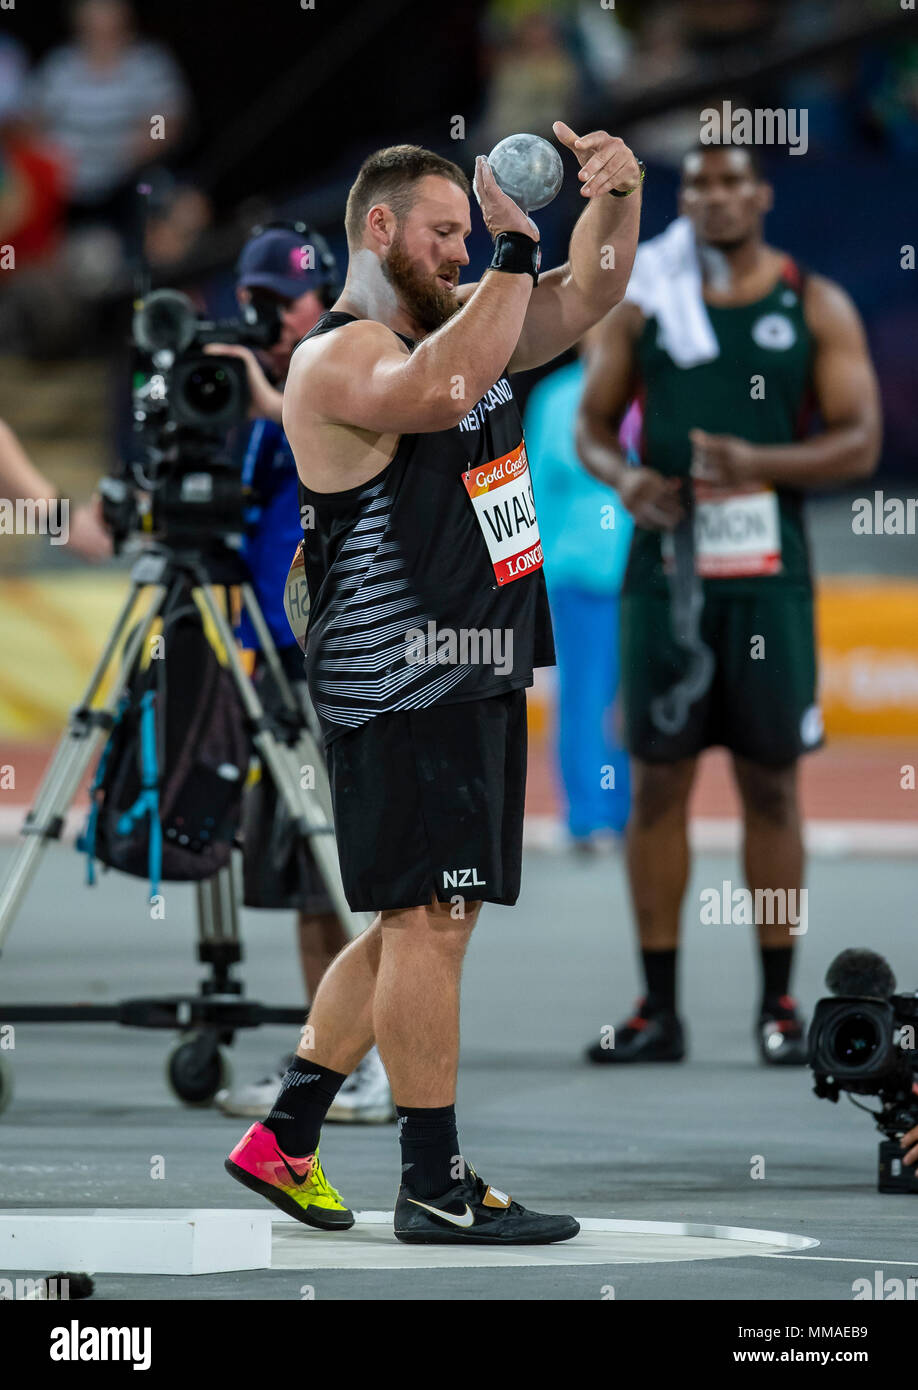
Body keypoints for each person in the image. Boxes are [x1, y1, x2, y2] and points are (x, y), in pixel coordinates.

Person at [225, 127, 644, 1242]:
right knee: (432, 919)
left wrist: (617, 198)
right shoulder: (340, 357)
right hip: (402, 677)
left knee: (419, 920)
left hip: (473, 667)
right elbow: (444, 382)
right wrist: (514, 252)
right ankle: (432, 1182)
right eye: (444, 231)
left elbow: (591, 295)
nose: (463, 251)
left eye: (471, 232)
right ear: (378, 228)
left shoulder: (475, 325)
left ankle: (287, 1133)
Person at [576, 144, 882, 1068]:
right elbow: (590, 426)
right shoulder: (647, 306)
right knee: (657, 783)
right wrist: (628, 477)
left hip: (768, 576)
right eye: (698, 183)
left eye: (731, 181)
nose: (713, 197)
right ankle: (658, 1009)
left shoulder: (813, 302)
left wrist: (761, 466)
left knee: (772, 785)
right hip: (666, 570)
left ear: (763, 195)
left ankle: (780, 1007)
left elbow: (862, 443)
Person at [205, 224, 393, 1124]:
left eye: (286, 299)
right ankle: (327, 1059)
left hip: (334, 656)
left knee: (340, 867)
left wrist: (264, 398)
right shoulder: (250, 386)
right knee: (298, 878)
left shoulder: (348, 363)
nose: (272, 317)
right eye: (258, 301)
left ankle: (369, 1063)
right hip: (268, 661)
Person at [523, 331, 633, 848]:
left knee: (638, 696)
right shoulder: (557, 397)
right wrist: (528, 574)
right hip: (579, 574)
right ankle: (589, 815)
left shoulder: (648, 393)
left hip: (643, 575)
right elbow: (535, 490)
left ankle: (631, 810)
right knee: (585, 696)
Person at [28, 0, 190, 239]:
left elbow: (169, 120)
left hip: (129, 181)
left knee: (171, 200)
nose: (101, 17)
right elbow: (31, 123)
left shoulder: (150, 63)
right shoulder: (58, 67)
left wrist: (149, 140)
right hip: (69, 191)